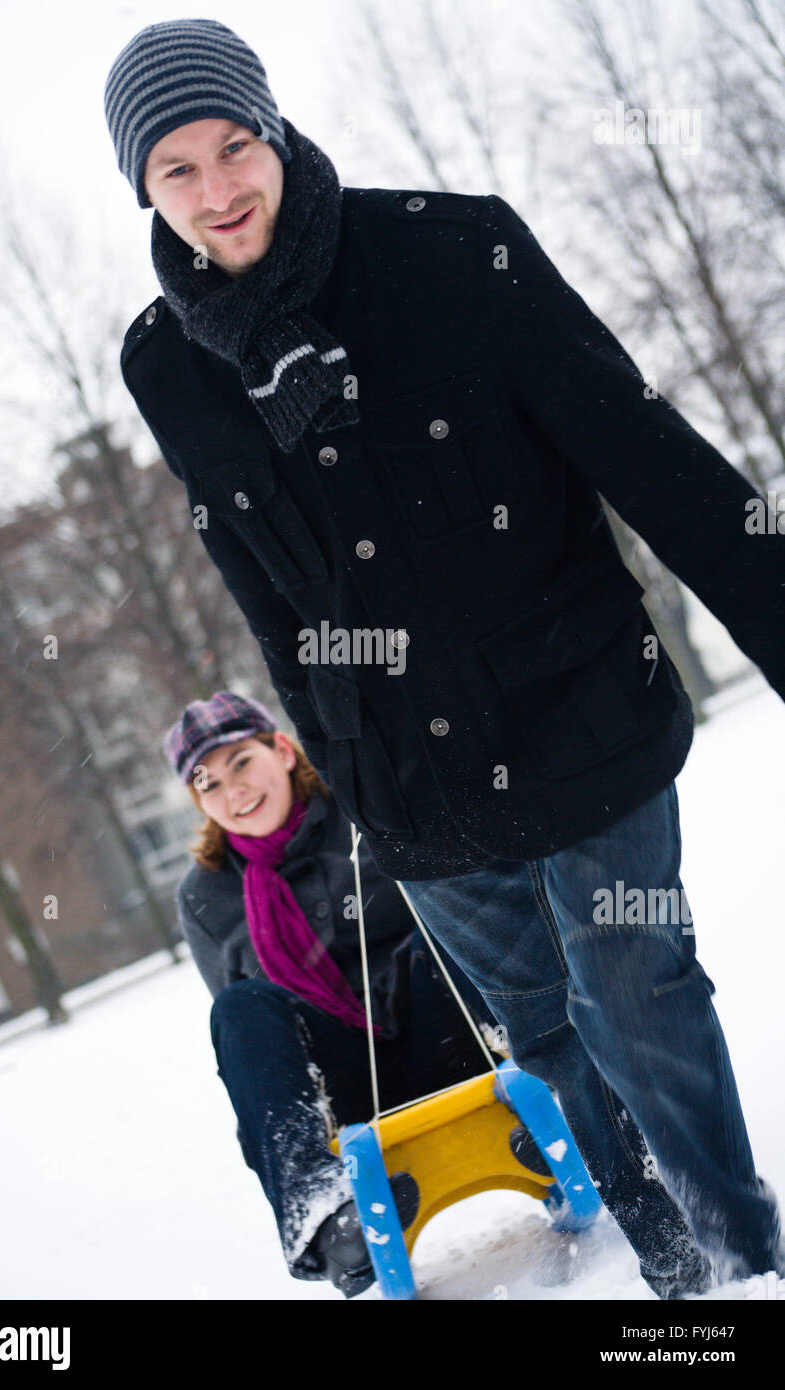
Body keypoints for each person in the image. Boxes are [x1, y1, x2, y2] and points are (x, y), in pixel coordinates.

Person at [104, 19, 785, 1297]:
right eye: (176, 170)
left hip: (577, 710)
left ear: (274, 129)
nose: (217, 190)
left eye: (233, 147)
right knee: (540, 1034)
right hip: (406, 786)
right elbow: (265, 599)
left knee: (631, 994)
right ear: (141, 188)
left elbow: (647, 455)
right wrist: (339, 781)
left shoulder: (449, 251)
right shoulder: (165, 366)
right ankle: (678, 1275)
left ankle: (740, 1263)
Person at [162, 690, 528, 1297]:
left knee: (439, 924)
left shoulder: (359, 806)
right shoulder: (205, 896)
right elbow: (252, 1057)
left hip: (442, 1030)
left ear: (281, 749)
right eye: (209, 784)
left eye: (241, 763)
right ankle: (326, 1213)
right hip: (341, 1085)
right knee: (240, 1009)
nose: (234, 791)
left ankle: (538, 1090)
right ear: (198, 801)